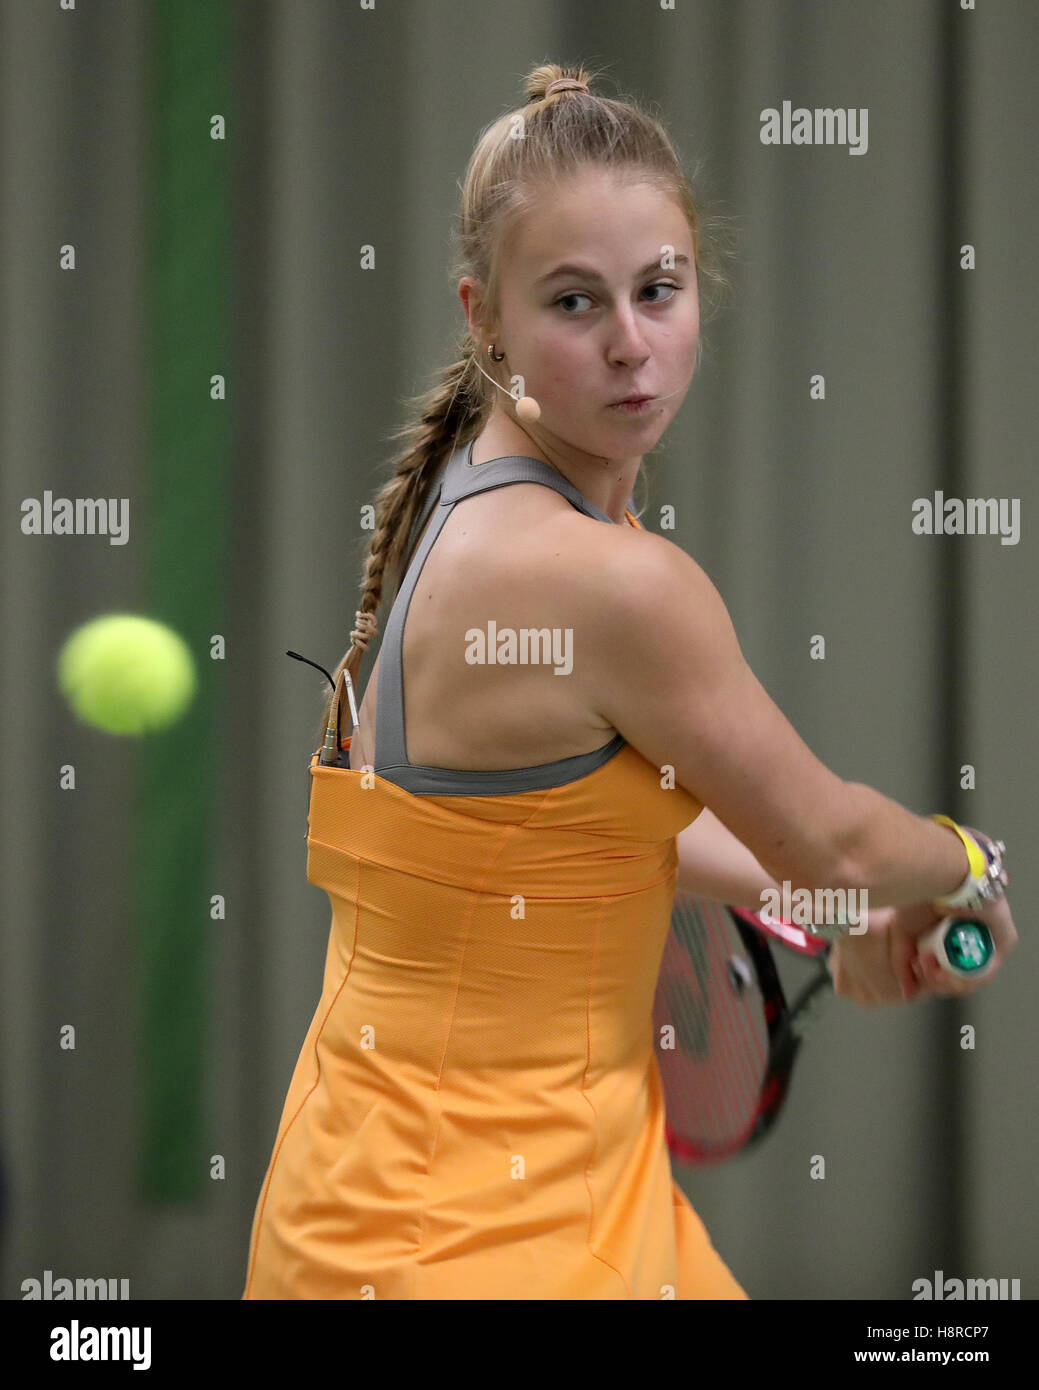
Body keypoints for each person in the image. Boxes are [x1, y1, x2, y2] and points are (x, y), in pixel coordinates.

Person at [242, 63, 1016, 1301]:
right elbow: (829, 836)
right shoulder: (612, 585)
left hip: (520, 1189)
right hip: (462, 1248)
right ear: (482, 315)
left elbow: (575, 830)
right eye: (572, 301)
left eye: (659, 290)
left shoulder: (463, 514)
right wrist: (964, 864)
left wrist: (840, 914)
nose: (629, 344)